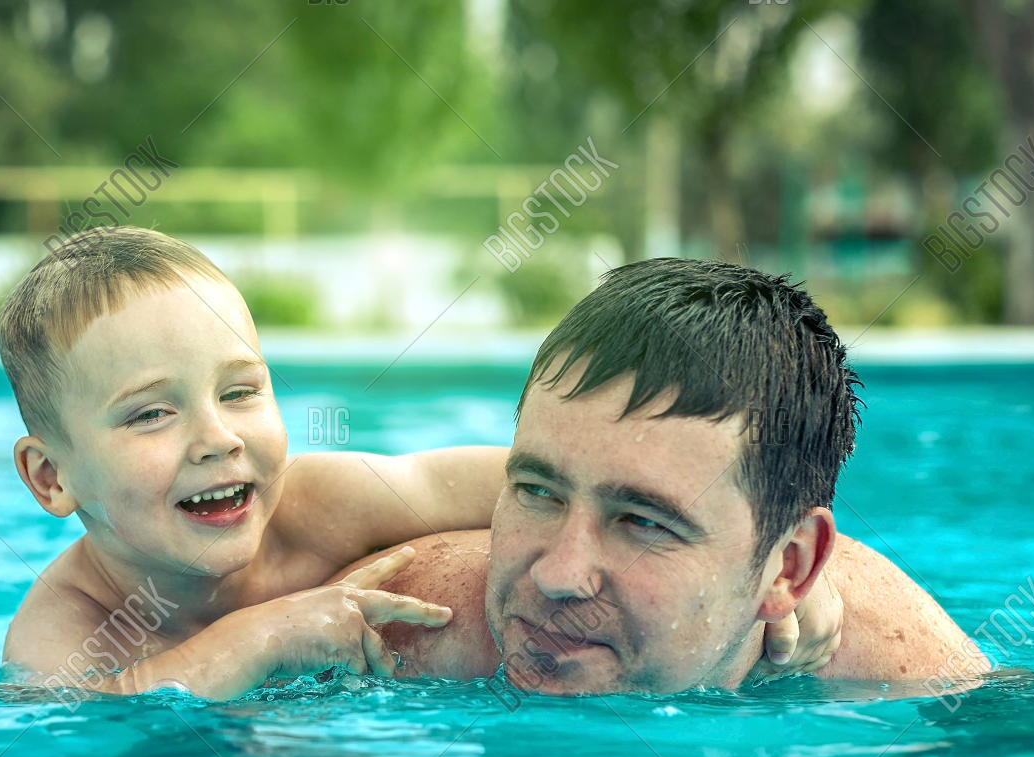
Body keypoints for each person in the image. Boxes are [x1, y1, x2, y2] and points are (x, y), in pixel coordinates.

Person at [0, 229, 841, 699]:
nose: (217, 439)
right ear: (51, 478)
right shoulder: (66, 619)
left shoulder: (316, 504)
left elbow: (528, 479)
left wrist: (779, 573)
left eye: (242, 392)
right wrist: (259, 637)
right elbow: (82, 720)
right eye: (151, 413)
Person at [356, 258, 990, 694]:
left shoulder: (910, 679)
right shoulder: (398, 635)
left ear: (790, 567)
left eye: (642, 521)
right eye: (538, 491)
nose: (555, 575)